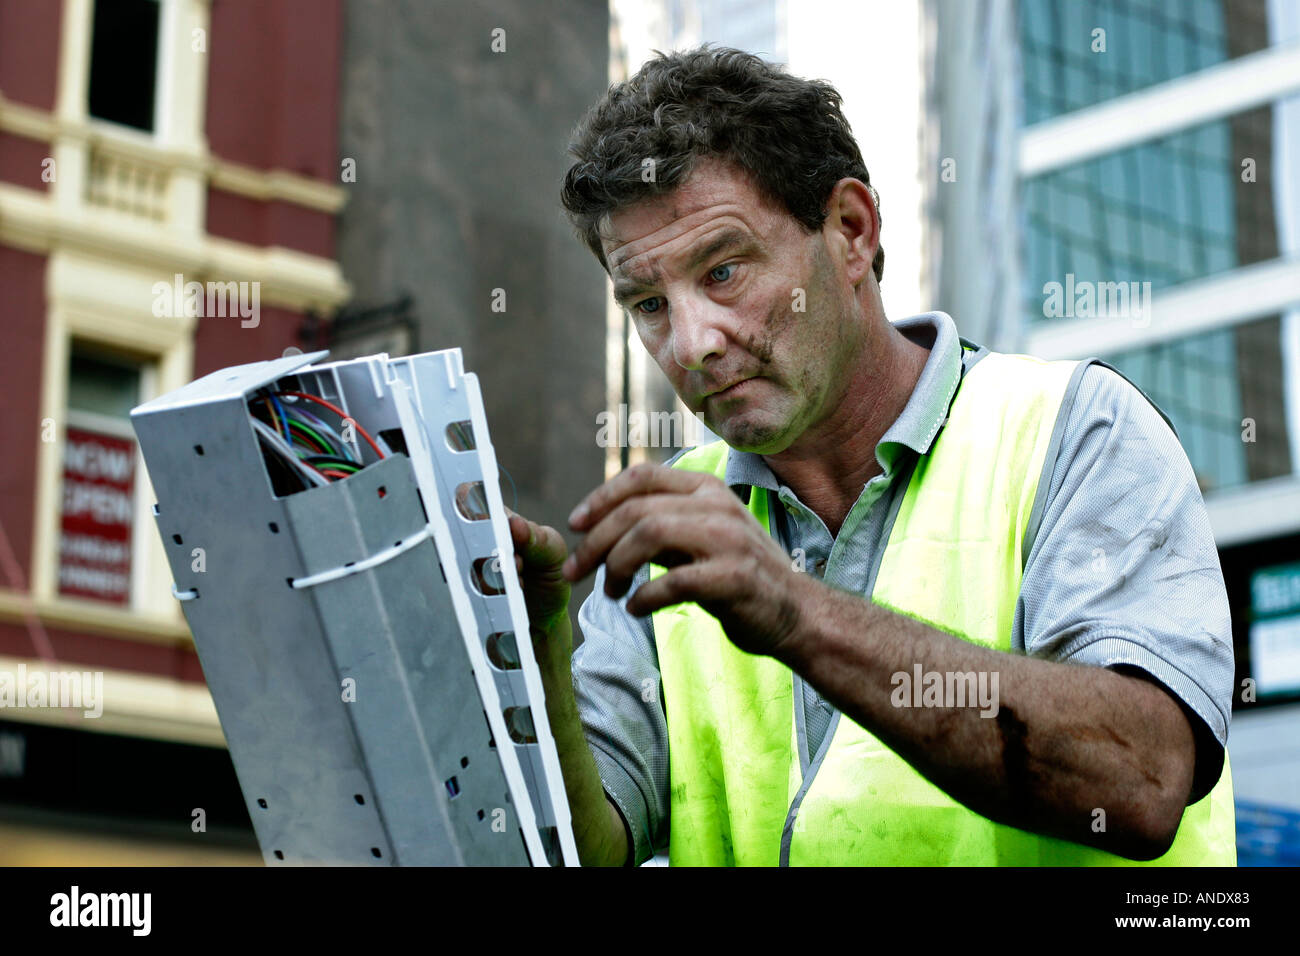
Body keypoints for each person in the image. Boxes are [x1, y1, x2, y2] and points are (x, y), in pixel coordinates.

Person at [507, 46, 1236, 866]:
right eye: (648, 303)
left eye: (722, 270)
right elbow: (587, 845)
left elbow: (1139, 780)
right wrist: (531, 670)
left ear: (851, 231)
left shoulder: (1075, 429)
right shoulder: (665, 527)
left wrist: (793, 611)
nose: (690, 343)